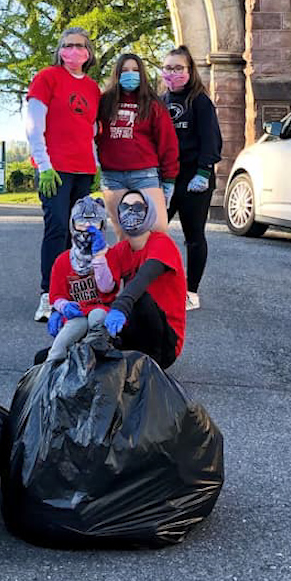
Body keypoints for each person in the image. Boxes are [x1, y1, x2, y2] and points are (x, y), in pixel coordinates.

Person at [25, 26, 102, 322]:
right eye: (68, 45)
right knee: (56, 228)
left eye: (80, 46)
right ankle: (48, 294)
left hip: (82, 169)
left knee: (79, 233)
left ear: (88, 53)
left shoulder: (93, 89)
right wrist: (43, 164)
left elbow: (92, 130)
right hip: (54, 169)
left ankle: (72, 290)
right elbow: (34, 122)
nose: (74, 51)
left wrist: (94, 165)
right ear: (60, 50)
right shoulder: (48, 78)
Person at [98, 189, 189, 369]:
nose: (130, 211)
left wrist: (120, 306)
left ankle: (148, 370)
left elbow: (143, 279)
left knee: (140, 298)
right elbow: (103, 288)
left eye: (138, 207)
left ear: (149, 213)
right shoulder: (121, 250)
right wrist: (97, 256)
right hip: (132, 333)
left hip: (164, 343)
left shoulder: (162, 244)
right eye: (125, 207)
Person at [160, 46, 221, 311]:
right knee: (155, 232)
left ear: (189, 70)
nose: (173, 73)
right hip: (168, 179)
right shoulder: (161, 102)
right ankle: (156, 286)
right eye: (169, 68)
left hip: (195, 177)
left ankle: (191, 292)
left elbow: (211, 138)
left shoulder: (199, 100)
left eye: (178, 68)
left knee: (193, 236)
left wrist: (204, 171)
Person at [95, 52, 178, 241]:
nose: (130, 74)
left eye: (135, 70)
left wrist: (169, 179)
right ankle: (127, 271)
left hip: (145, 174)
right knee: (123, 234)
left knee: (157, 229)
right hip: (112, 177)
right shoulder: (104, 102)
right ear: (117, 74)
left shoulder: (153, 104)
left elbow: (168, 142)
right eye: (125, 70)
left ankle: (149, 269)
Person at [35, 196, 118, 364]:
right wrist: (62, 307)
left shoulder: (111, 256)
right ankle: (47, 376)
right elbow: (56, 295)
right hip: (78, 314)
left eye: (94, 223)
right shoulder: (63, 260)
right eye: (81, 222)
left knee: (97, 316)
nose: (87, 228)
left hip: (102, 313)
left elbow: (107, 288)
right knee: (59, 346)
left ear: (102, 225)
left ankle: (92, 355)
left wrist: (99, 257)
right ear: (72, 225)